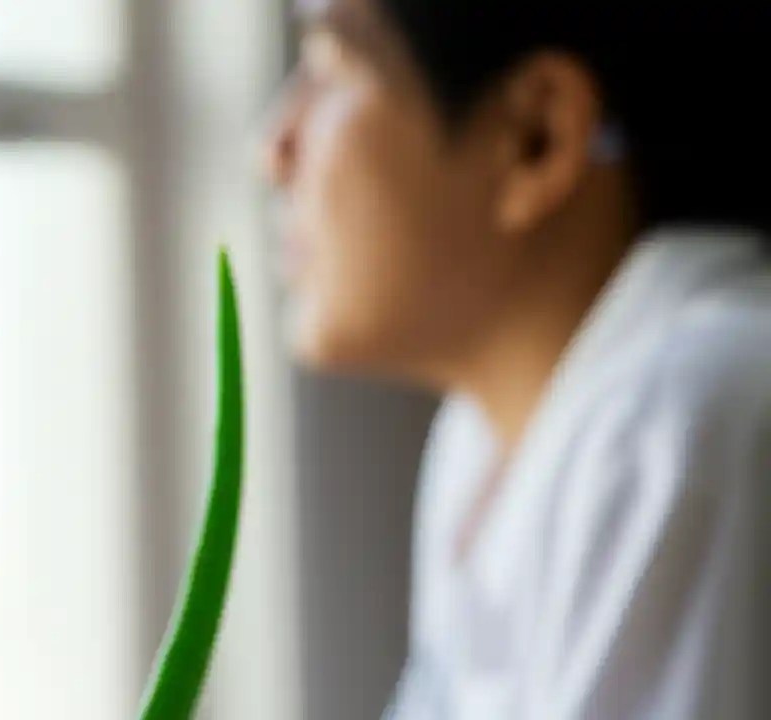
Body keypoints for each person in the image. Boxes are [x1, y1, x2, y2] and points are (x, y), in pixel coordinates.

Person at [263, 0, 771, 717]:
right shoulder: (482, 440)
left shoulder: (679, 416)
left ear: (539, 136)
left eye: (334, 67)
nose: (276, 146)